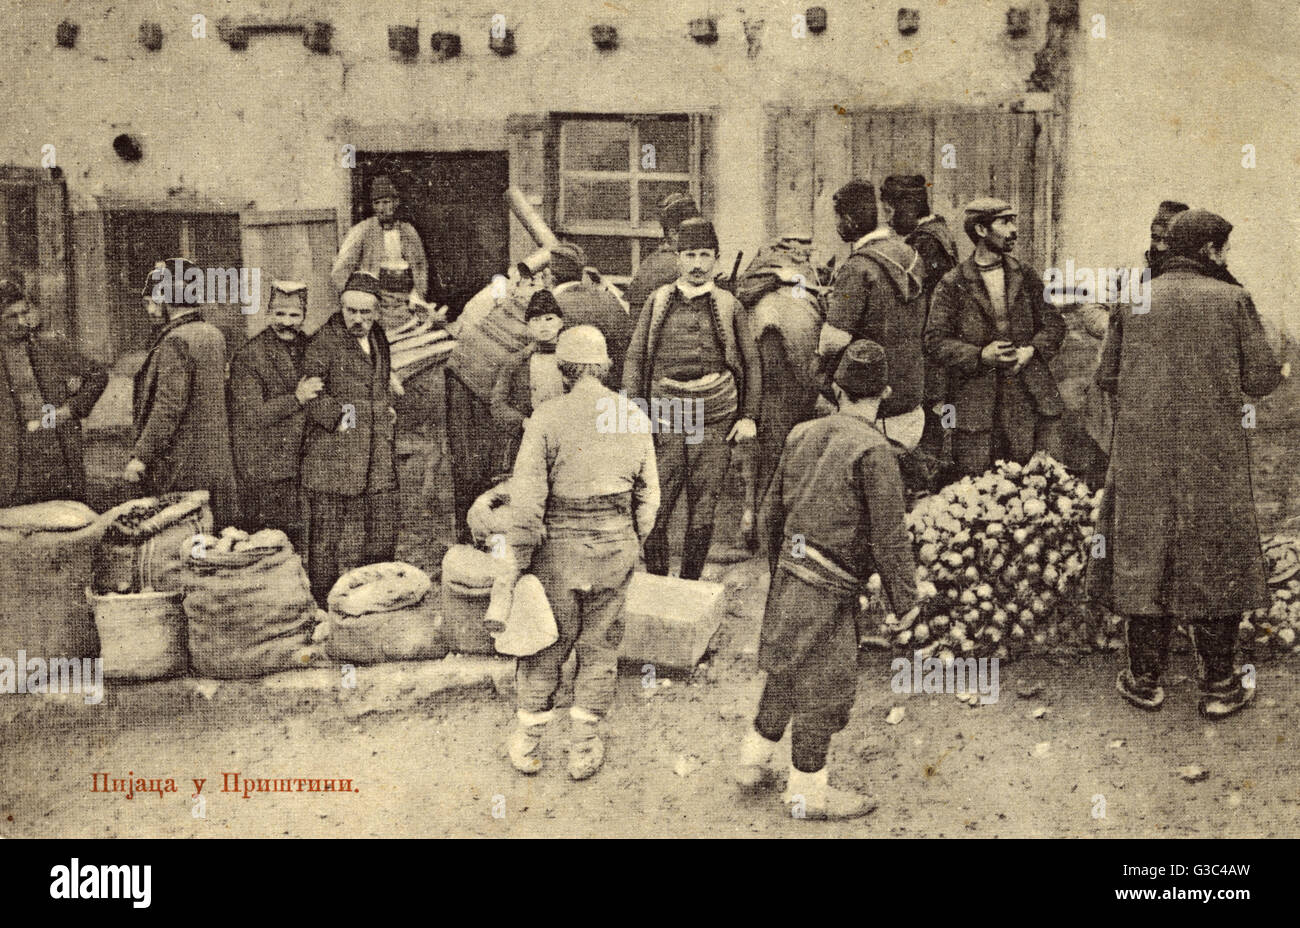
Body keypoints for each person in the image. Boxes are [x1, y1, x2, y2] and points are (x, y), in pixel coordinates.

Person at [1088, 208, 1285, 718]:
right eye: (1222, 250)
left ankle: (1144, 680)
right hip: (1212, 459)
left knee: (1143, 553)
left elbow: (1107, 377)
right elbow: (1261, 379)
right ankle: (1219, 686)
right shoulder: (1232, 298)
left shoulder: (1134, 299)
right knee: (1213, 557)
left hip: (1142, 456)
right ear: (1210, 252)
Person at [738, 339, 918, 820]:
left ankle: (751, 762)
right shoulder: (874, 449)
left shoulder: (801, 433)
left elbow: (773, 514)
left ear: (836, 389)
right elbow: (889, 536)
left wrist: (781, 571)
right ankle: (807, 794)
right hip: (831, 586)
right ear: (884, 393)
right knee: (824, 688)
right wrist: (907, 601)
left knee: (784, 669)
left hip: (791, 573)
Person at [497, 325, 659, 780]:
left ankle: (528, 742)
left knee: (546, 644)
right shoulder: (633, 415)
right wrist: (631, 542)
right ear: (605, 366)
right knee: (601, 648)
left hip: (558, 551)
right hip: (615, 546)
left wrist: (522, 558)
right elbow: (650, 498)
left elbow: (527, 502)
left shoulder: (546, 418)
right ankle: (583, 747)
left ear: (563, 369)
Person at [623, 217, 761, 580]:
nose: (697, 264)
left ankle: (689, 585)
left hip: (714, 418)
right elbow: (635, 357)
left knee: (704, 507)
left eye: (704, 255)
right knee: (656, 503)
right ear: (677, 258)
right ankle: (656, 581)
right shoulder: (658, 301)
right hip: (665, 416)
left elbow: (751, 362)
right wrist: (635, 411)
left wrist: (748, 416)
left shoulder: (730, 306)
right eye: (689, 255)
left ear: (716, 258)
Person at [923, 197, 1065, 475]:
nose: (1014, 230)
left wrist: (1031, 351)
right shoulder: (953, 284)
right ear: (980, 230)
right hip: (975, 409)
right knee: (975, 490)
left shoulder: (1026, 276)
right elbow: (934, 341)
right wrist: (980, 355)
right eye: (1005, 222)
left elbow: (1055, 325)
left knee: (1033, 486)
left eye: (1014, 221)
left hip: (1027, 401)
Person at [299, 272, 400, 605]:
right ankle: (324, 606)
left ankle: (376, 599)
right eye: (351, 311)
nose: (357, 319)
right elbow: (310, 394)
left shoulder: (378, 338)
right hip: (333, 456)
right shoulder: (322, 342)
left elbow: (378, 381)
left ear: (377, 312)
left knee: (383, 529)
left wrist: (384, 407)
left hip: (376, 454)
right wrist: (346, 418)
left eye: (365, 313)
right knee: (327, 539)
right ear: (341, 308)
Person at [817, 180, 927, 456]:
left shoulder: (858, 268)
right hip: (910, 400)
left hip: (871, 407)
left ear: (851, 221)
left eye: (838, 218)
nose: (837, 225)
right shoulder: (911, 256)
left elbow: (833, 341)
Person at [128, 259, 239, 528]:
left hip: (181, 468)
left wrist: (141, 457)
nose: (150, 310)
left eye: (151, 302)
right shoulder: (212, 334)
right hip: (213, 464)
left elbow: (168, 407)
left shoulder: (175, 341)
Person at [732, 232, 825, 547]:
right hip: (797, 356)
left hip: (757, 349)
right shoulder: (806, 279)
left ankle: (749, 510)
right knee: (783, 439)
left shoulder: (756, 275)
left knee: (755, 433)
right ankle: (776, 521)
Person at [445, 264, 545, 542]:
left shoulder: (516, 293)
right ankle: (475, 535)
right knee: (477, 463)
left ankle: (473, 533)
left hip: (464, 371)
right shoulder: (535, 301)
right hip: (473, 377)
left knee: (471, 462)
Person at [0, 273, 107, 506]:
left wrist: (71, 409)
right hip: (14, 466)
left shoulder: (51, 346)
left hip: (58, 456)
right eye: (12, 317)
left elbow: (98, 375)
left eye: (24, 313)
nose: (22, 321)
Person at [228, 281, 320, 548]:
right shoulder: (249, 356)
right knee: (269, 545)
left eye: (294, 315)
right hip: (265, 468)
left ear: (304, 316)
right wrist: (297, 398)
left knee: (305, 540)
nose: (287, 322)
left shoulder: (313, 347)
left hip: (302, 464)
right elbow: (252, 415)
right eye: (279, 314)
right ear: (268, 314)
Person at [882, 174, 959, 486]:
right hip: (937, 347)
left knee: (929, 431)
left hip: (931, 352)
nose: (887, 220)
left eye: (889, 211)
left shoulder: (925, 244)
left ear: (907, 207)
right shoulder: (937, 234)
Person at [331, 175, 431, 331]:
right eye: (376, 203)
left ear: (396, 203)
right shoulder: (363, 230)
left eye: (386, 202)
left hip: (404, 303)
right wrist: (355, 298)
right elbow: (341, 269)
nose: (381, 208)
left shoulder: (408, 231)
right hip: (376, 302)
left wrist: (417, 296)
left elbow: (420, 267)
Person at [489, 288, 566, 468]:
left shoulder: (573, 360)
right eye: (536, 320)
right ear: (528, 326)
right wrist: (524, 423)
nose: (543, 325)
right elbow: (497, 404)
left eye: (549, 319)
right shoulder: (516, 363)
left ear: (561, 322)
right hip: (530, 441)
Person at [549, 241, 634, 385]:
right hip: (610, 391)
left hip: (567, 393)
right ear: (582, 274)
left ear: (551, 277)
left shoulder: (549, 306)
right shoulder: (608, 298)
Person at [622, 192, 701, 317]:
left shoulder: (655, 258)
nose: (698, 237)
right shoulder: (677, 265)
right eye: (694, 231)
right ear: (673, 233)